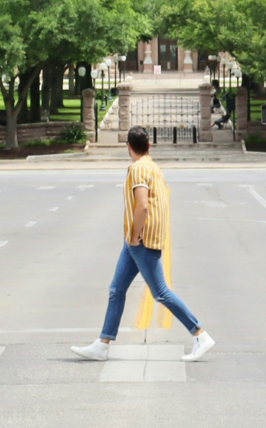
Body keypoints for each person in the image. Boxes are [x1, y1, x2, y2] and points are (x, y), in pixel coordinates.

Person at [71, 125, 215, 363]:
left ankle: (200, 334)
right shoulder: (153, 167)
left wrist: (135, 235)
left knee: (161, 293)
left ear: (128, 146)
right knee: (116, 290)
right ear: (149, 145)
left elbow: (143, 206)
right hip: (138, 240)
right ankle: (103, 344)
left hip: (141, 239)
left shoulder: (138, 170)